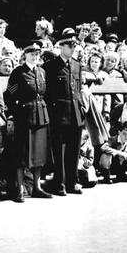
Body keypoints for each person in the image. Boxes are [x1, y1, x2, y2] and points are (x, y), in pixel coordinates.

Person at [5, 41, 53, 201]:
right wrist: (15, 113)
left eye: (37, 54)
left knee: (39, 154)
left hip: (41, 115)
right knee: (21, 154)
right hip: (24, 117)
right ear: (25, 55)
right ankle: (19, 189)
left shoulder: (42, 71)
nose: (35, 56)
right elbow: (9, 95)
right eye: (32, 54)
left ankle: (37, 188)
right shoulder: (18, 72)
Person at [43, 30, 86, 195]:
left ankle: (72, 182)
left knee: (74, 149)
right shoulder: (50, 66)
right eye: (70, 45)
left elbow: (78, 89)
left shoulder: (77, 65)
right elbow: (47, 93)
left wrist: (82, 107)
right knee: (59, 150)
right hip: (58, 113)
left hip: (75, 112)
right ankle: (59, 183)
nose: (73, 48)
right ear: (61, 46)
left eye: (74, 45)